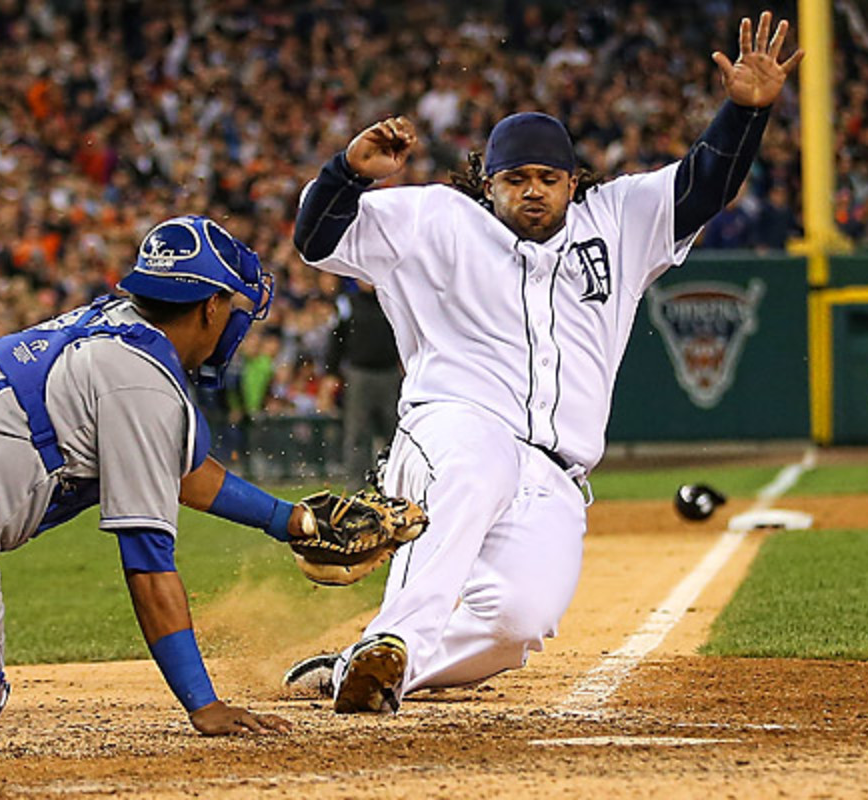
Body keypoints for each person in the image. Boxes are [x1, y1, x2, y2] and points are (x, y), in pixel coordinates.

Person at [283, 12, 802, 714]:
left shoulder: (616, 222)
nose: (533, 190)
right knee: (480, 462)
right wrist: (346, 173)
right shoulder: (438, 220)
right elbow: (316, 239)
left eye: (549, 177)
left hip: (557, 472)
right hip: (451, 429)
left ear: (572, 181)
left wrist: (745, 111)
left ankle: (366, 669)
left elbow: (703, 184)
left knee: (517, 624)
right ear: (486, 183)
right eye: (516, 178)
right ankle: (394, 637)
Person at [0, 215, 318, 741]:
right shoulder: (142, 385)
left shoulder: (107, 323)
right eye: (234, 306)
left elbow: (177, 471)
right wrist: (204, 703)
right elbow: (147, 562)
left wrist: (288, 520)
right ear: (211, 306)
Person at [326, 280, 402, 490]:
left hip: (390, 372)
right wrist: (331, 371)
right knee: (357, 432)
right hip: (359, 373)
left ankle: (395, 483)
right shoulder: (347, 303)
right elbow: (335, 338)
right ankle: (356, 484)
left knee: (395, 432)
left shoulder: (391, 301)